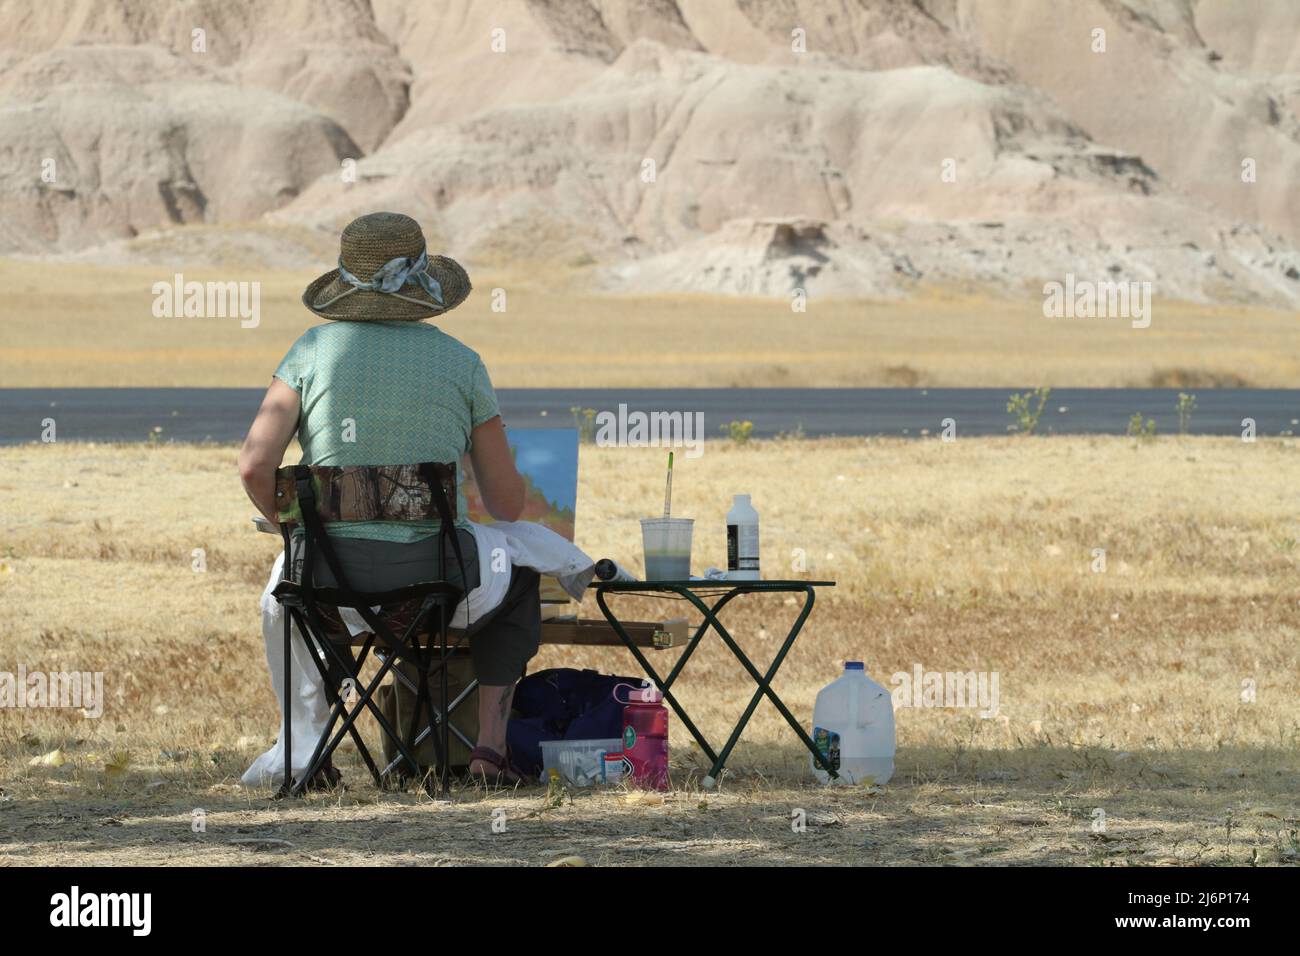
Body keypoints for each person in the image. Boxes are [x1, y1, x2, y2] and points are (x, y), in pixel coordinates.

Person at [238, 211, 538, 785]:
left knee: (296, 595)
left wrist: (293, 527)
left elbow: (255, 465)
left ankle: (314, 748)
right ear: (425, 286)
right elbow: (507, 505)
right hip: (439, 580)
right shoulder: (462, 362)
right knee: (520, 581)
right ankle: (490, 752)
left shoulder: (310, 353)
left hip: (327, 580)